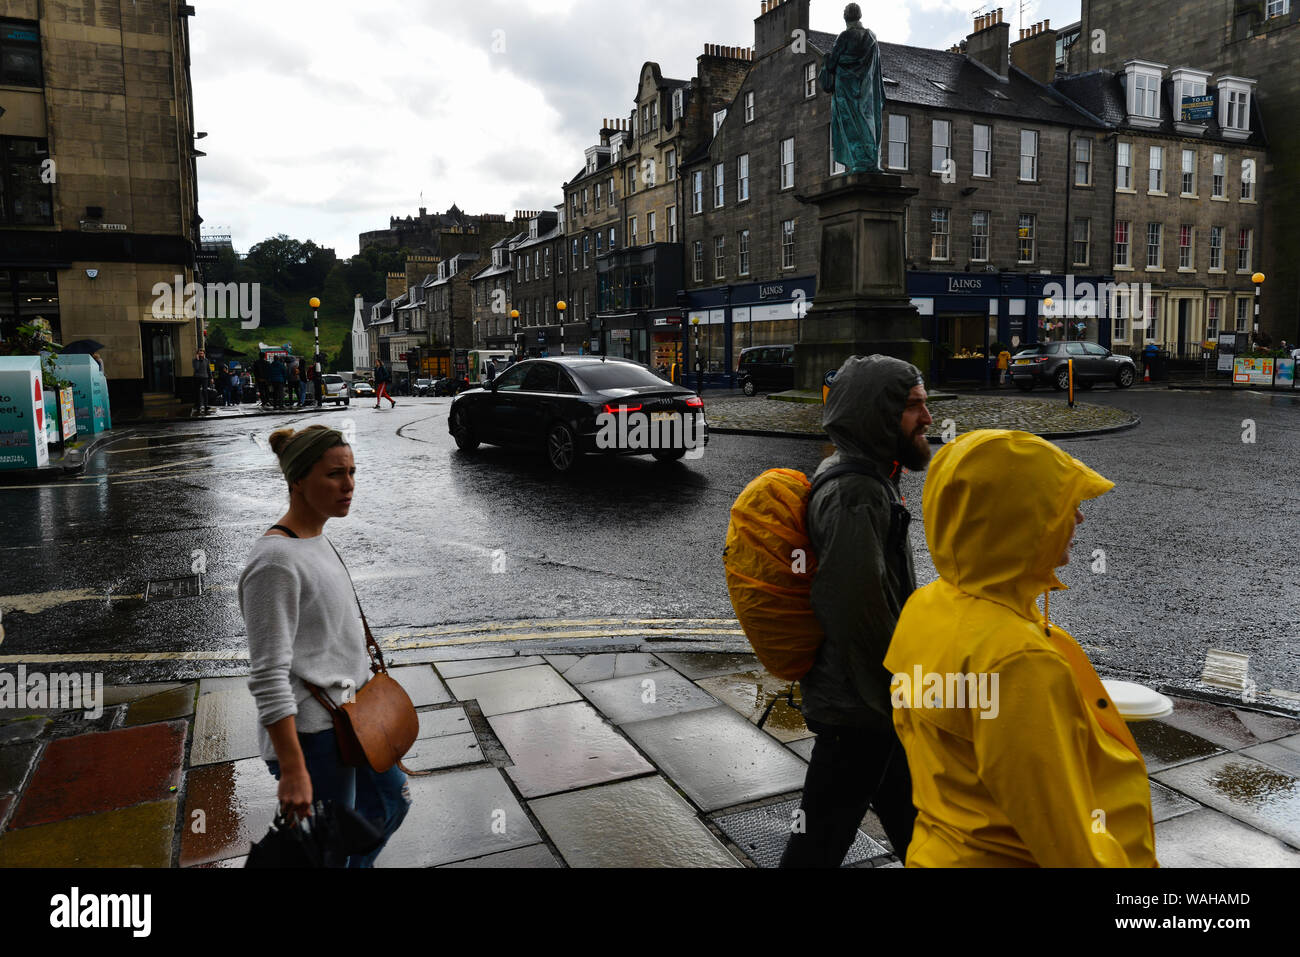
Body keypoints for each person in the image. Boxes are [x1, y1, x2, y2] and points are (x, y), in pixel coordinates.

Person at [884, 430, 1157, 867]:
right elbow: (1066, 842)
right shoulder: (1016, 659)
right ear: (1019, 519)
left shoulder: (926, 608)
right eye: (1063, 506)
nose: (1080, 520)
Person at [779, 354, 932, 867]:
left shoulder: (864, 477)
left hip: (870, 704)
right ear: (877, 414)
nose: (928, 420)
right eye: (913, 407)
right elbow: (854, 610)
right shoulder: (856, 493)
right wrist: (901, 696)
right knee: (817, 844)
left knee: (920, 827)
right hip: (861, 709)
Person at [239, 425, 412, 867]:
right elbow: (267, 674)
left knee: (393, 804)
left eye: (353, 472)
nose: (349, 485)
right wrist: (293, 769)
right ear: (298, 479)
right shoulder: (275, 562)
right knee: (324, 855)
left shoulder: (315, 537)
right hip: (313, 737)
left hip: (353, 720)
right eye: (335, 474)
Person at [192, 349, 211, 414]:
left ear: (204, 354)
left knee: (205, 391)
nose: (201, 355)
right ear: (197, 354)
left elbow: (209, 369)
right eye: (199, 354)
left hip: (205, 378)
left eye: (202, 353)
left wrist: (211, 378)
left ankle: (206, 405)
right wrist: (197, 360)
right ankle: (198, 406)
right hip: (197, 377)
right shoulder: (194, 361)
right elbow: (196, 368)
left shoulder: (206, 360)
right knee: (197, 392)